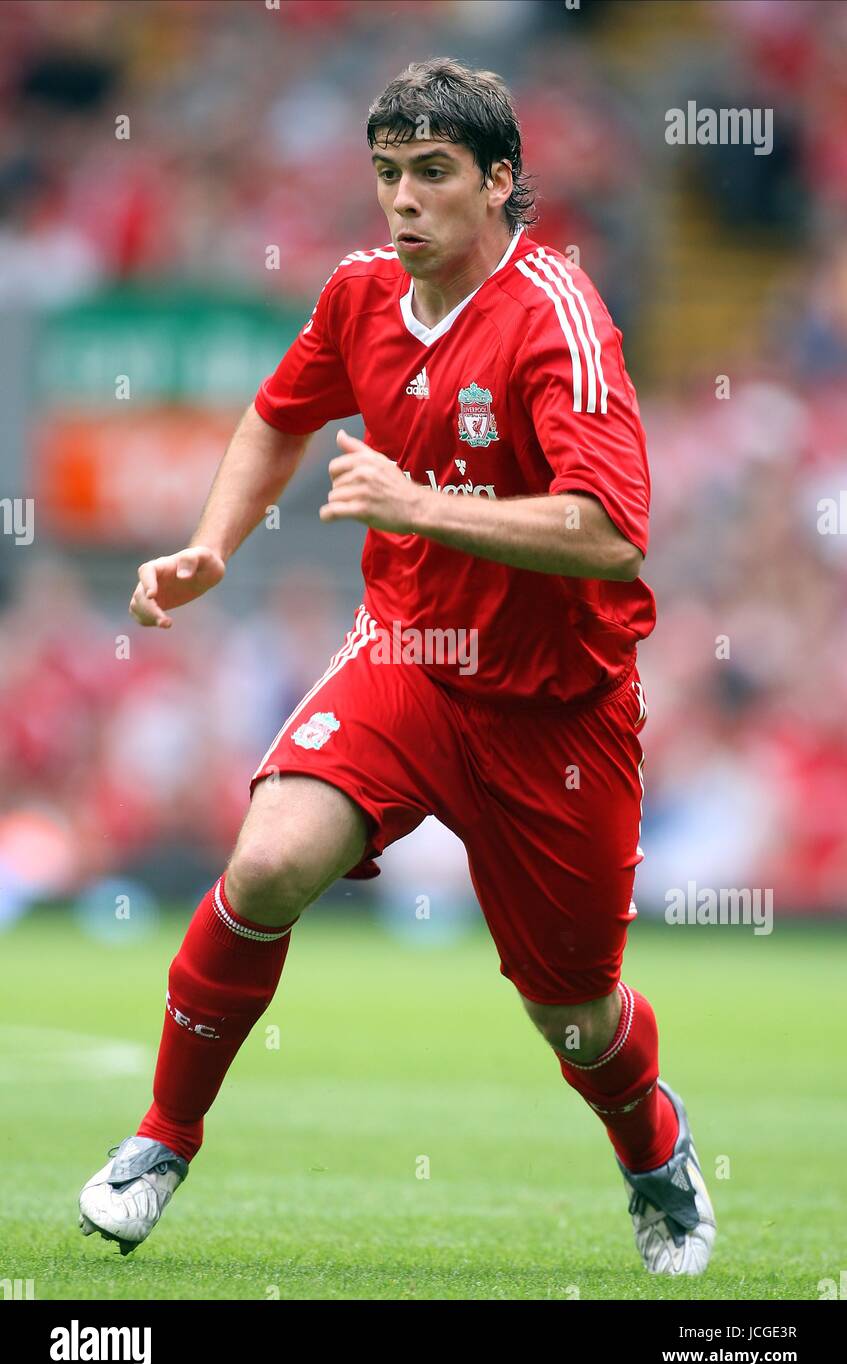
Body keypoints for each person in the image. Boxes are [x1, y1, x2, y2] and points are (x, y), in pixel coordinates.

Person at [79, 57, 715, 1277]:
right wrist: (214, 545)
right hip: (411, 661)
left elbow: (613, 528)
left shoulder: (558, 317)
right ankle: (161, 1139)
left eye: (433, 174)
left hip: (557, 711)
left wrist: (418, 504)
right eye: (387, 175)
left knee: (573, 1017)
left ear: (500, 185)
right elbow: (278, 413)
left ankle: (652, 1146)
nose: (404, 201)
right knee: (265, 863)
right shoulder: (359, 294)